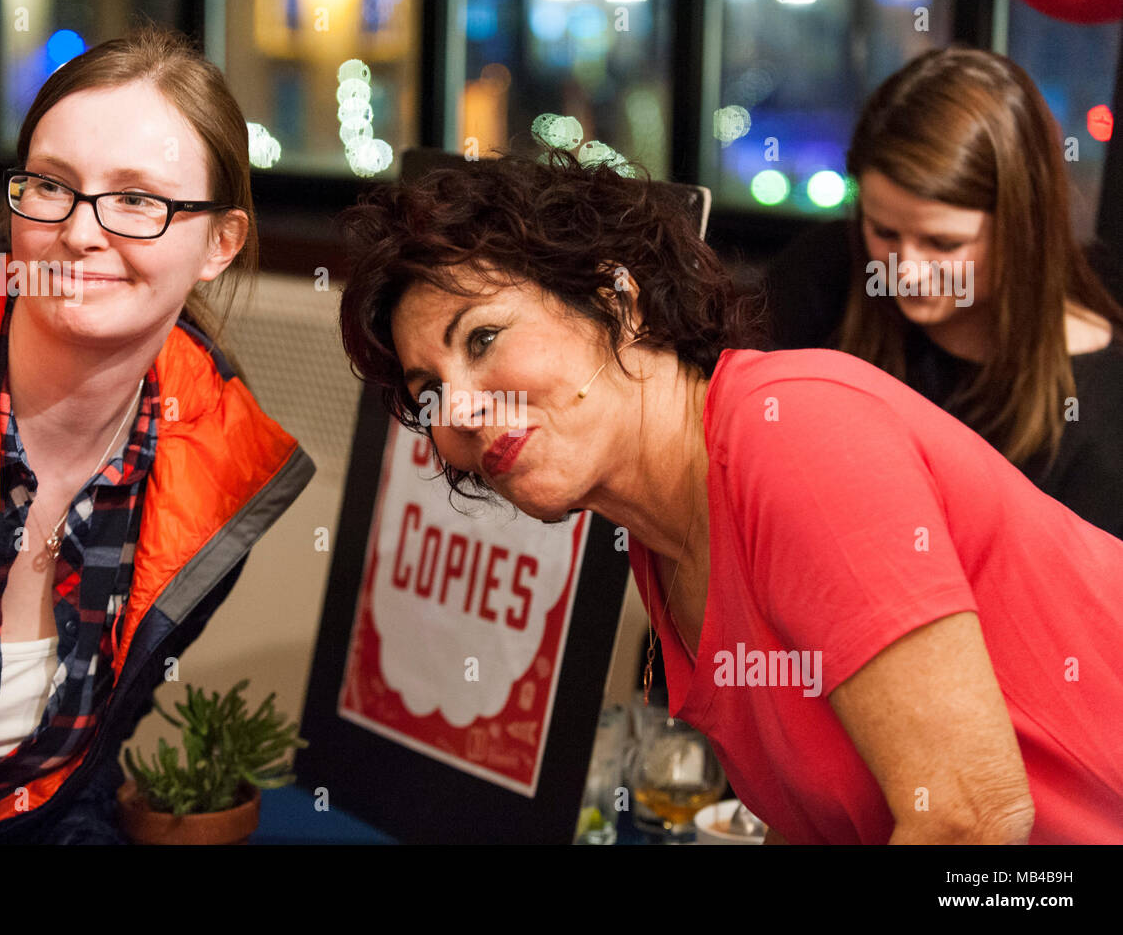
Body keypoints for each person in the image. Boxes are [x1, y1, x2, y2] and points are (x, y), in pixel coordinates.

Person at [337, 148, 1123, 844]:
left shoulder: (791, 434)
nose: (463, 409)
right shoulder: (661, 542)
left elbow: (974, 817)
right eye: (429, 390)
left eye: (483, 338)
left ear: (617, 301)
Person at [0, 27, 315, 844]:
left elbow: (64, 792)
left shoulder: (198, 479)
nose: (81, 232)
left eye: (136, 199)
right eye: (51, 185)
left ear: (218, 245)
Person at [766, 45, 1123, 540]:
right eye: (883, 231)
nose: (904, 271)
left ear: (1024, 228)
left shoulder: (1100, 415)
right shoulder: (820, 278)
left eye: (943, 243)